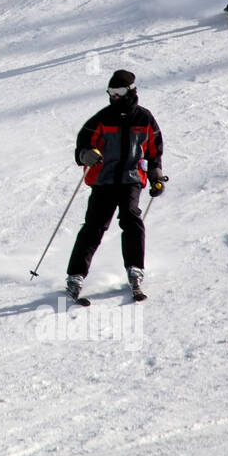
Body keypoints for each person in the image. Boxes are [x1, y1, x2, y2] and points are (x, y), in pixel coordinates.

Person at [65, 70, 165, 303]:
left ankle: (135, 269)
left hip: (131, 179)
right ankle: (75, 275)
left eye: (119, 92)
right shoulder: (101, 119)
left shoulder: (144, 119)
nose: (115, 97)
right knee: (94, 226)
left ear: (131, 91)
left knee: (131, 218)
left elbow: (154, 152)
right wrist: (85, 155)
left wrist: (156, 176)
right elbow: (82, 146)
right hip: (104, 180)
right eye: (111, 92)